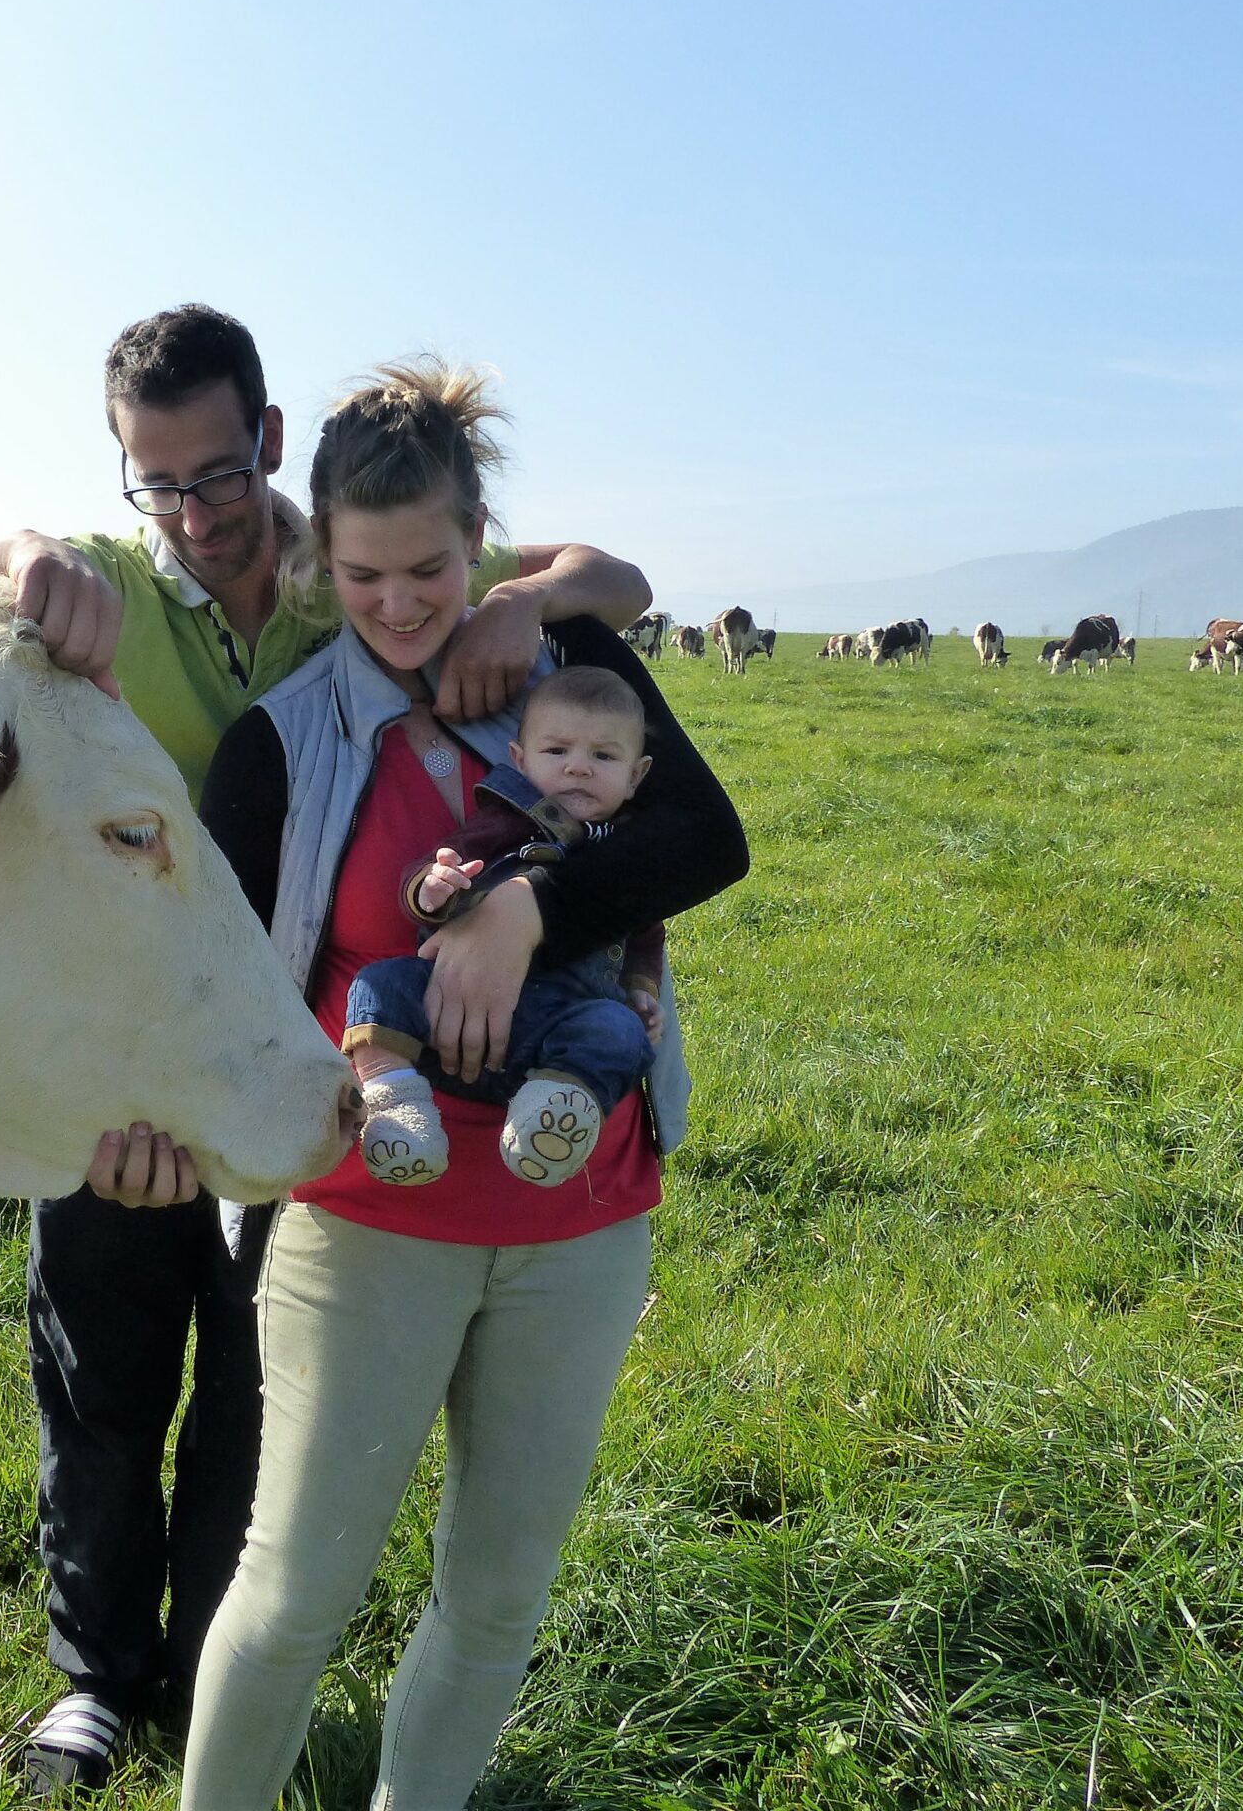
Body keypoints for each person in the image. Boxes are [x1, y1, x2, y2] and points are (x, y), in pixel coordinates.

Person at [0, 306, 653, 1794]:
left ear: (270, 440)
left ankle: (212, 1678)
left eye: (220, 473)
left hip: (293, 1058)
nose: (197, 513)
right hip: (114, 1053)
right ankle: (97, 1682)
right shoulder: (95, 582)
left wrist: (525, 605)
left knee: (251, 1392)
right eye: (157, 483)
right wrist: (13, 549)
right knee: (102, 1370)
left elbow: (610, 576)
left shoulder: (350, 562)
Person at [182, 360, 748, 1808]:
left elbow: (705, 839)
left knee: (497, 1600)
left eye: (430, 569)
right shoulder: (279, 743)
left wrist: (525, 910)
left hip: (582, 1223)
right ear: (319, 557)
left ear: (478, 544)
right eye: (362, 573)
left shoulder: (569, 677)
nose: (398, 603)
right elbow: (214, 979)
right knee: (294, 1597)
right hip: (369, 1218)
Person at [346, 663, 665, 1190]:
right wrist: (433, 887)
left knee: (622, 1032)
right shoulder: (505, 821)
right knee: (378, 985)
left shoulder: (632, 852)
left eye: (604, 756)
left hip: (561, 1025)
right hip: (446, 1010)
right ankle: (397, 1108)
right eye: (557, 751)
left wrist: (641, 989)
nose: (578, 768)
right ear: (520, 759)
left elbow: (647, 932)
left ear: (636, 774)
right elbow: (442, 864)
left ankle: (552, 1116)